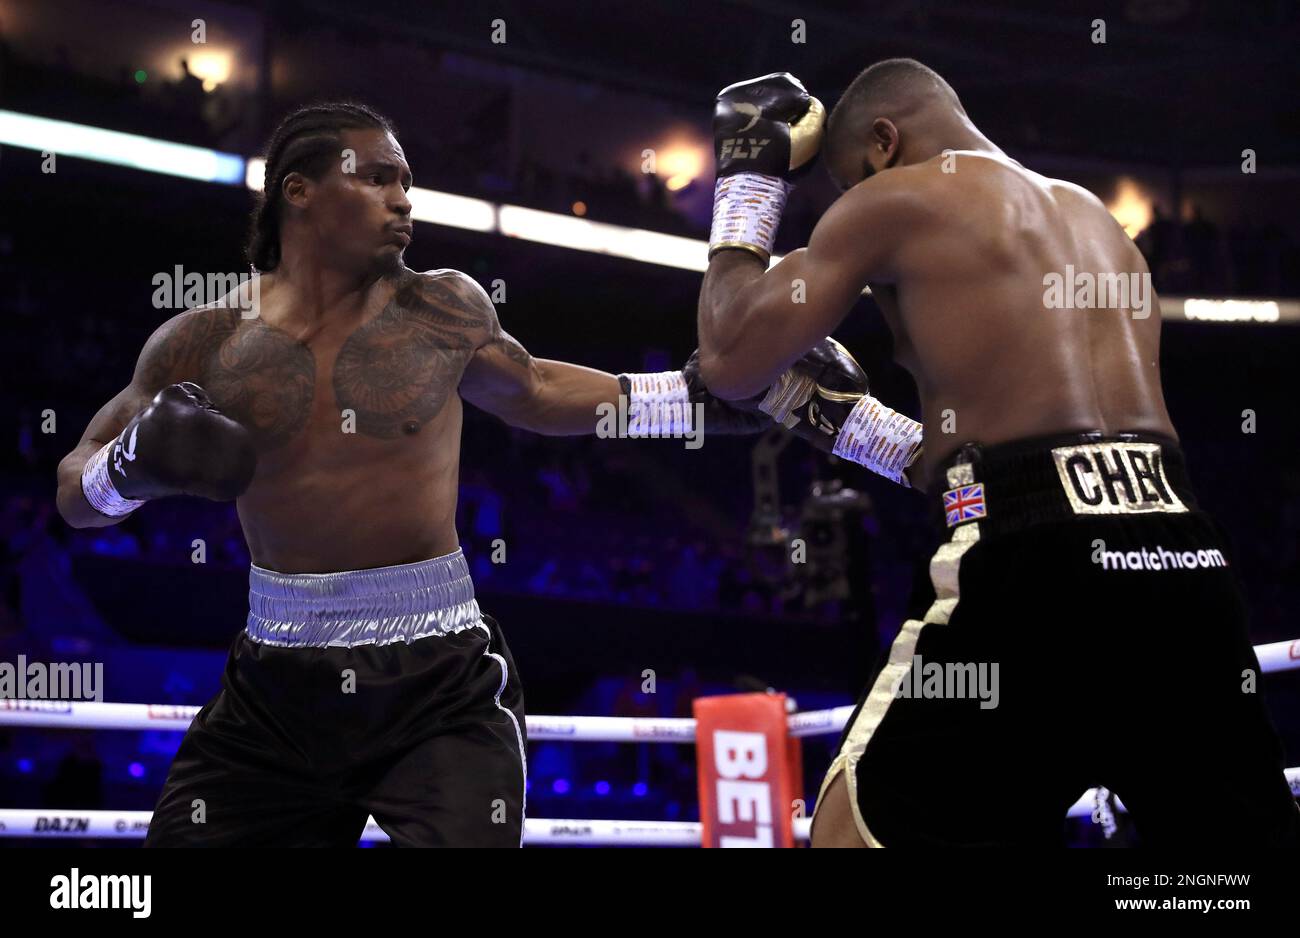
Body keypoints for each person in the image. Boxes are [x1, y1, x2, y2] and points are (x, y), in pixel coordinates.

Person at [54, 102, 889, 847]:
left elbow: (535, 390)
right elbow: (75, 491)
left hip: (439, 680)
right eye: (378, 178)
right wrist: (125, 472)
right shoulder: (202, 342)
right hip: (275, 687)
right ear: (297, 191)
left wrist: (707, 401)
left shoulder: (442, 306)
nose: (403, 199)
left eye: (407, 181)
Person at [696, 62, 1299, 846]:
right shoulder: (1101, 227)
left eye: (849, 185)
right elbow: (1053, 457)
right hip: (1183, 562)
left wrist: (748, 179)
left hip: (1032, 571)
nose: (852, 207)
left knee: (854, 829)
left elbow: (728, 353)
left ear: (884, 142)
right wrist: (860, 428)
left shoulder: (896, 196)